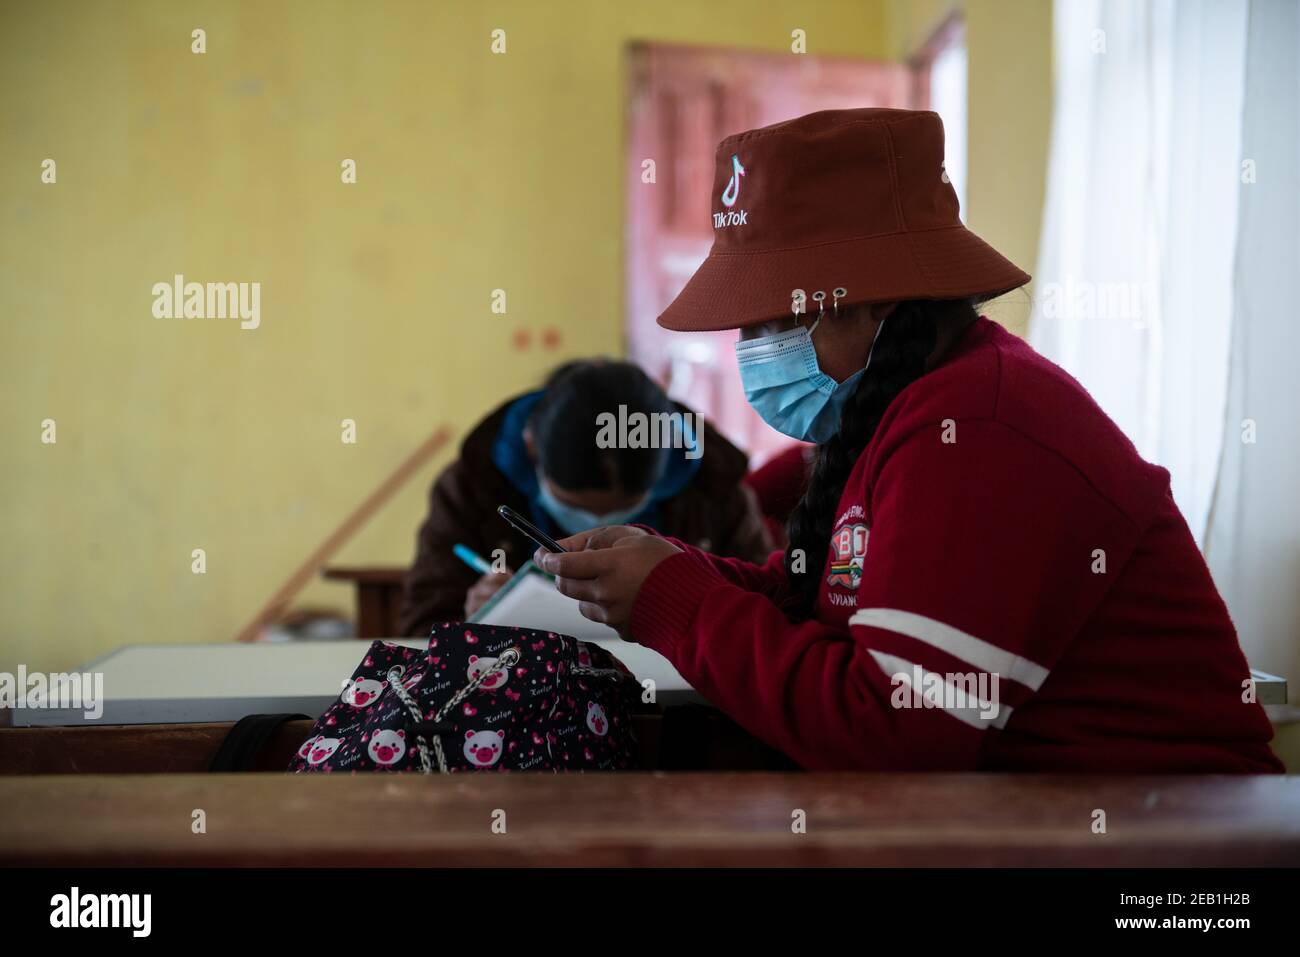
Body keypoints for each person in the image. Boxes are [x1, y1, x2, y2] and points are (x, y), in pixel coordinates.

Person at [534, 108, 1282, 773]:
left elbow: (899, 726)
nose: (753, 348)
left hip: (1171, 837)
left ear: (881, 297)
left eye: (775, 319)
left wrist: (679, 603)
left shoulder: (981, 425)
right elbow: (827, 611)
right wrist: (675, 572)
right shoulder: (906, 409)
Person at [398, 359, 770, 635]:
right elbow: (419, 627)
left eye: (627, 510)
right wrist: (473, 624)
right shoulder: (473, 485)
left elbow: (765, 614)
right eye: (575, 508)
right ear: (531, 447)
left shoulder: (714, 486)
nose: (598, 526)